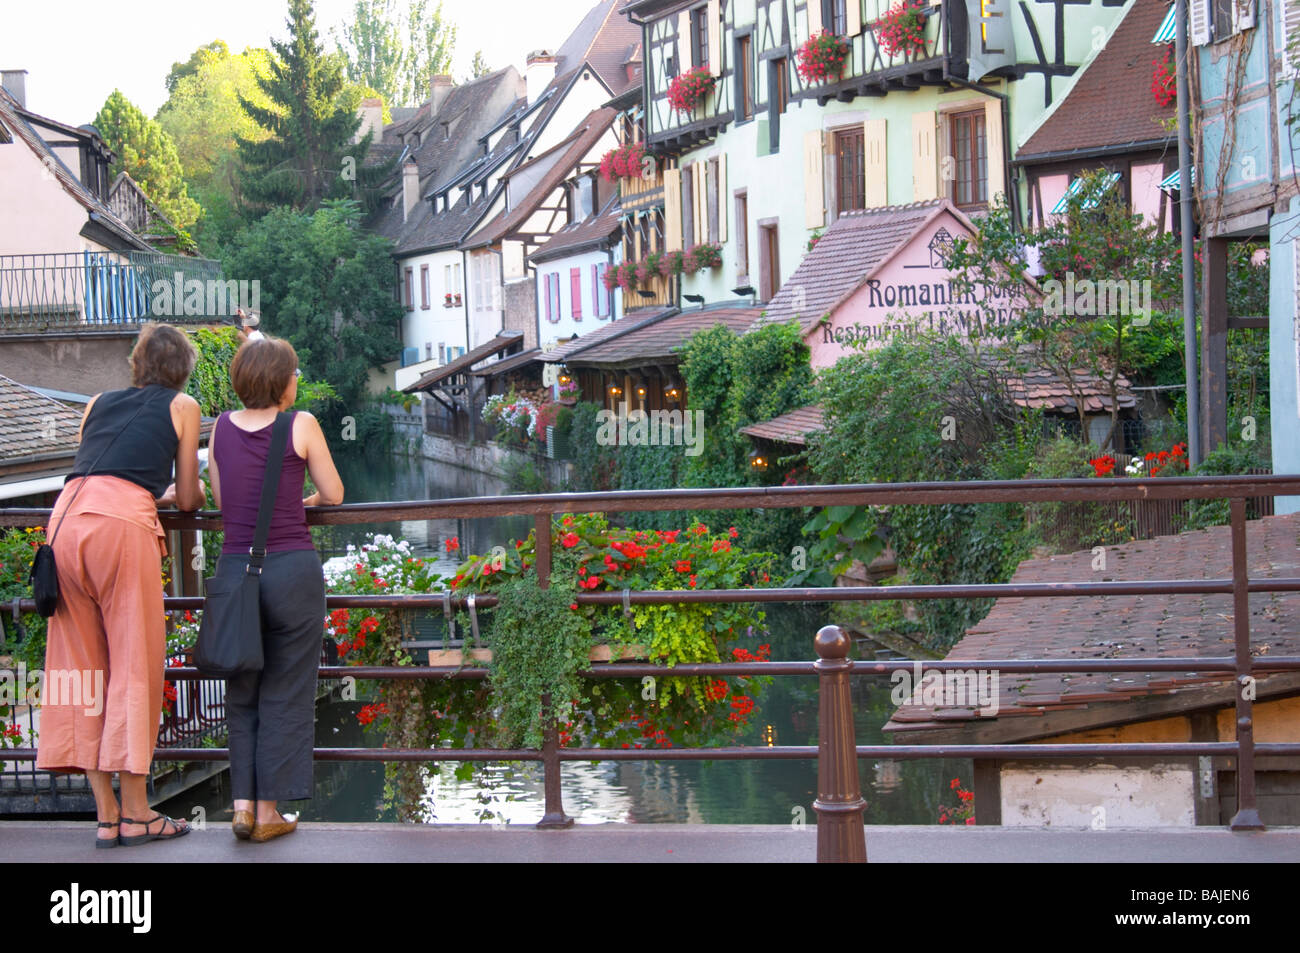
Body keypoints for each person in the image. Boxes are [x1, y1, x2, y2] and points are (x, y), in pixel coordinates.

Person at [36, 323, 205, 848]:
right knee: (134, 665)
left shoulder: (96, 402)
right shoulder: (183, 406)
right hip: (122, 527)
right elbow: (190, 499)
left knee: (78, 669)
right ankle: (138, 812)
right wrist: (164, 492)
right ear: (182, 369)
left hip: (64, 523)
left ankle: (106, 816)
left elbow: (94, 467)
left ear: (136, 363)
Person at [207, 336, 343, 842]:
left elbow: (223, 501)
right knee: (285, 691)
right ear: (282, 382)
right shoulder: (300, 424)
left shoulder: (219, 427)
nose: (297, 381)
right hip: (291, 572)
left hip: (233, 574)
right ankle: (267, 814)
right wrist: (299, 498)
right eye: (295, 374)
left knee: (242, 691)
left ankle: (240, 806)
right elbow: (333, 493)